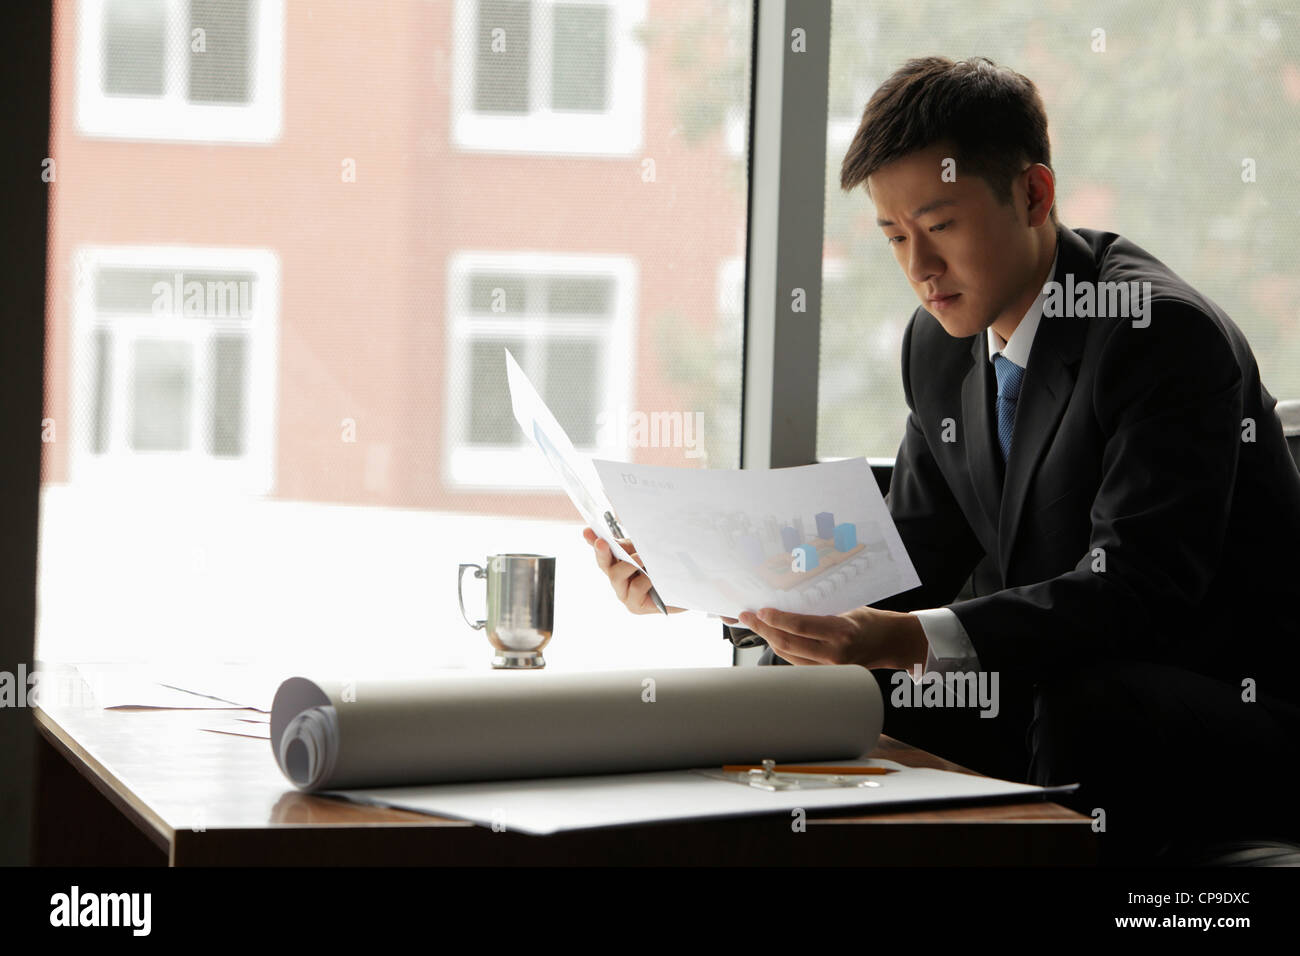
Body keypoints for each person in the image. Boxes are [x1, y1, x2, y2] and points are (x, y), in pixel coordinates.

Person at [583, 55, 1300, 865]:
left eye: (942, 226)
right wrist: (701, 576)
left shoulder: (1156, 334)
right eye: (894, 236)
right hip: (1052, 688)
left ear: (1033, 194)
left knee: (1076, 702)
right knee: (829, 687)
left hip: (1222, 710)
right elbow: (905, 562)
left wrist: (901, 641)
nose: (919, 269)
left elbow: (1141, 593)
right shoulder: (940, 341)